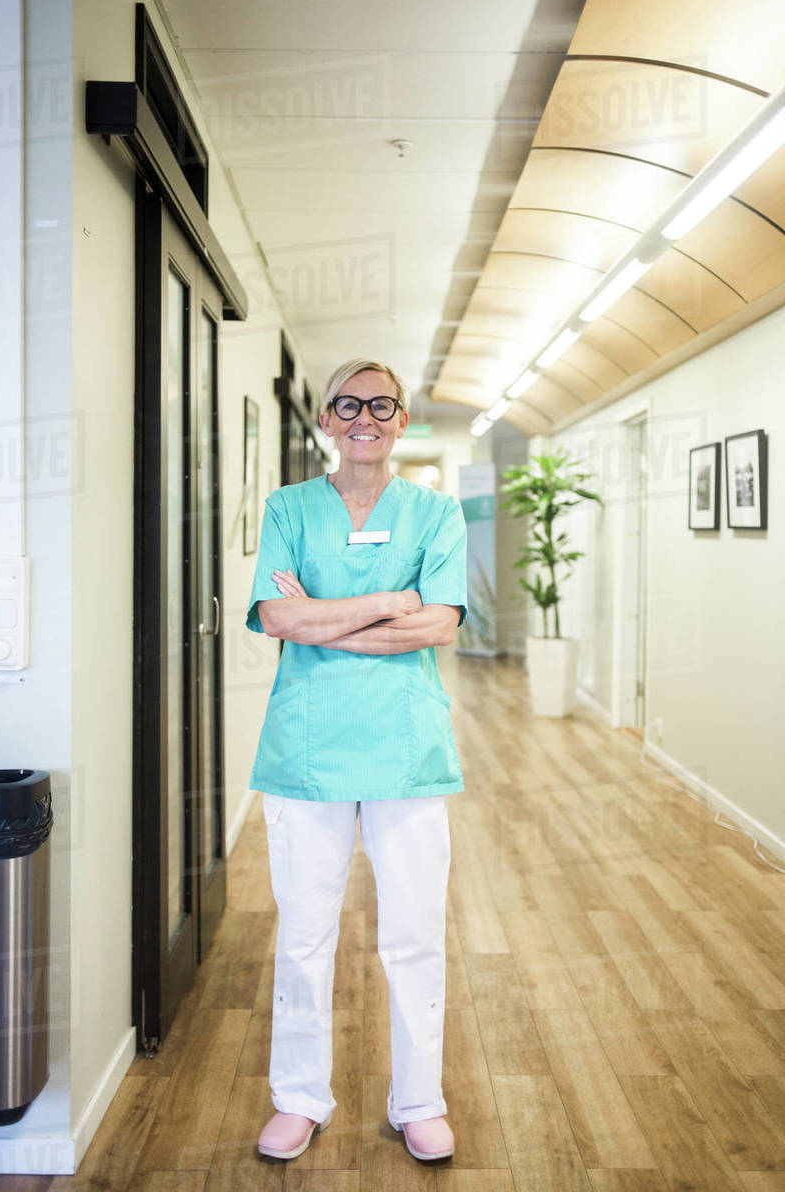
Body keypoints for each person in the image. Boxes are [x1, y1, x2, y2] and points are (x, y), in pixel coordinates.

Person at [245, 359, 468, 1164]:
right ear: (329, 420)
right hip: (308, 748)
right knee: (304, 935)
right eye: (349, 404)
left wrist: (324, 617)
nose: (364, 416)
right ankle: (299, 1098)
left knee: (413, 934)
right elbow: (277, 616)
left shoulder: (436, 513)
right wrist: (386, 601)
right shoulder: (289, 507)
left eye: (382, 404)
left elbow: (439, 627)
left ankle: (419, 1101)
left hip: (406, 748)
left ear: (401, 419)